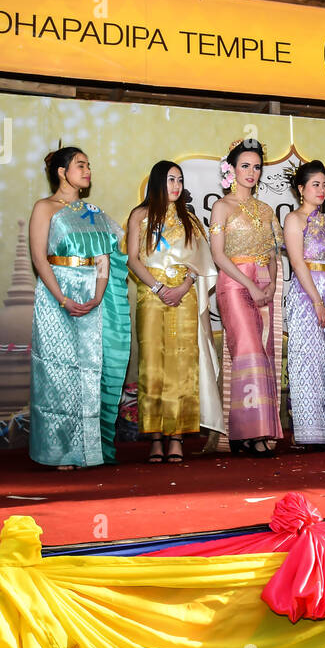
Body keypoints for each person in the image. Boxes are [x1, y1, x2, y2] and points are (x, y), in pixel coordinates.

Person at [28, 147, 130, 468]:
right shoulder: (44, 208)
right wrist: (61, 298)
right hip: (56, 293)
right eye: (80, 165)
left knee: (91, 370)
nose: (87, 170)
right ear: (62, 172)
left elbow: (104, 258)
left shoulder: (92, 211)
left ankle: (90, 449)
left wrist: (98, 296)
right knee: (58, 372)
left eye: (88, 165)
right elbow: (39, 257)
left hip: (92, 298)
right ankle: (60, 452)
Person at [125, 160, 220, 463]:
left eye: (179, 179)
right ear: (156, 182)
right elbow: (132, 259)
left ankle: (177, 436)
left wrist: (182, 287)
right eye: (170, 180)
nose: (176, 186)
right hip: (151, 297)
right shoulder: (140, 216)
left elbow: (201, 263)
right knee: (153, 366)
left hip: (184, 296)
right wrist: (158, 289)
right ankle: (155, 437)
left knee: (183, 365)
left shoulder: (189, 219)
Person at [209, 139, 283, 455]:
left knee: (263, 353)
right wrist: (250, 285)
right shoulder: (221, 207)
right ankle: (247, 432)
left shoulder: (266, 210)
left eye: (256, 167)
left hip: (263, 285)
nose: (251, 172)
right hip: (234, 284)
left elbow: (272, 255)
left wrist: (270, 286)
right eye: (245, 166)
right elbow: (217, 254)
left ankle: (259, 430)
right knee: (247, 352)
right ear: (232, 169)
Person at [283, 159, 325, 449]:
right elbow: (297, 263)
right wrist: (317, 301)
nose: (321, 190)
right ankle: (306, 433)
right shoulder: (293, 220)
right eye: (315, 184)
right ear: (301, 188)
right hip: (307, 296)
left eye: (324, 185)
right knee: (305, 361)